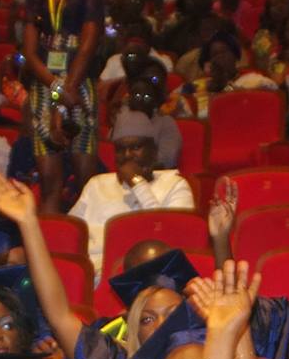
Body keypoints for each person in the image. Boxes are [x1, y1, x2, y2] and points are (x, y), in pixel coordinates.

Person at [21, 0, 105, 205]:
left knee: (87, 184)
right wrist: (58, 89)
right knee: (49, 184)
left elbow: (88, 46)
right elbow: (30, 53)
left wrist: (69, 89)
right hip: (46, 86)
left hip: (79, 86)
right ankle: (51, 246)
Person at [65, 111, 194, 273]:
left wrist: (137, 183)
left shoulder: (175, 185)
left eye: (136, 147)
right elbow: (70, 231)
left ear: (153, 151)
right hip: (91, 271)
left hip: (140, 272)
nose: (127, 156)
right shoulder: (96, 184)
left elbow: (168, 237)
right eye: (120, 149)